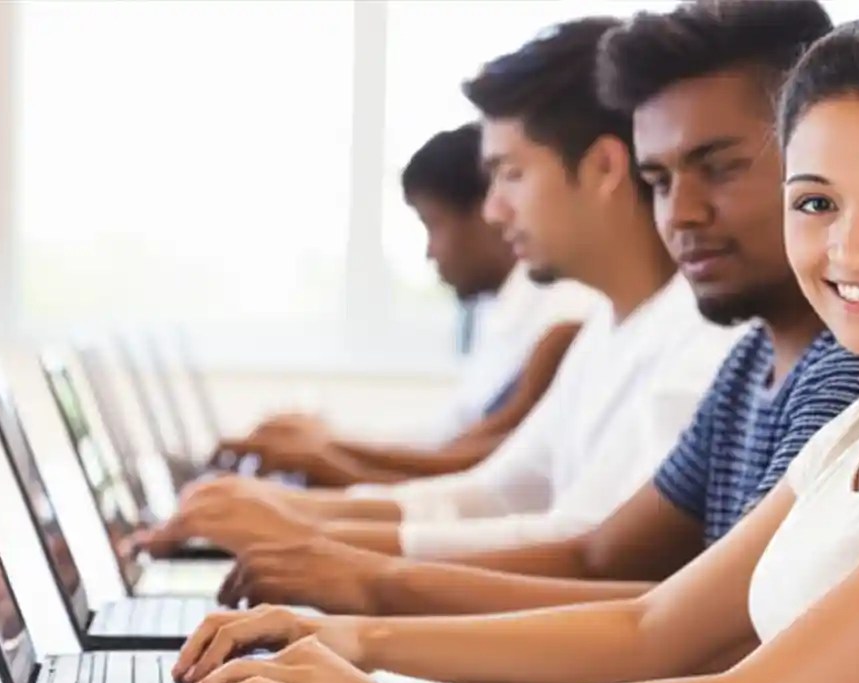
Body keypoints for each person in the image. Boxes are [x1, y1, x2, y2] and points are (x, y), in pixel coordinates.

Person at [173, 2, 859, 683]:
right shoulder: (853, 441)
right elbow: (656, 625)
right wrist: (353, 636)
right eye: (816, 201)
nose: (851, 249)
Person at [205, 0, 859, 619]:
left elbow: (687, 635)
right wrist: (337, 570)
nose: (681, 212)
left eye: (719, 167)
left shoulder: (830, 374)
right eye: (660, 180)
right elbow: (597, 556)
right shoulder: (747, 360)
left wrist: (362, 585)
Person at [142, 16, 746, 561]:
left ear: (604, 169)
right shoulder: (606, 330)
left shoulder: (699, 342)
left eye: (510, 174)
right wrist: (288, 517)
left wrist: (312, 539)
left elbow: (584, 548)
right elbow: (492, 493)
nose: (493, 209)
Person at [212, 123, 597, 488]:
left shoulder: (564, 321)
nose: (430, 252)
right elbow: (451, 440)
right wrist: (325, 443)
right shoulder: (504, 313)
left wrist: (325, 455)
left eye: (433, 224)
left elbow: (474, 467)